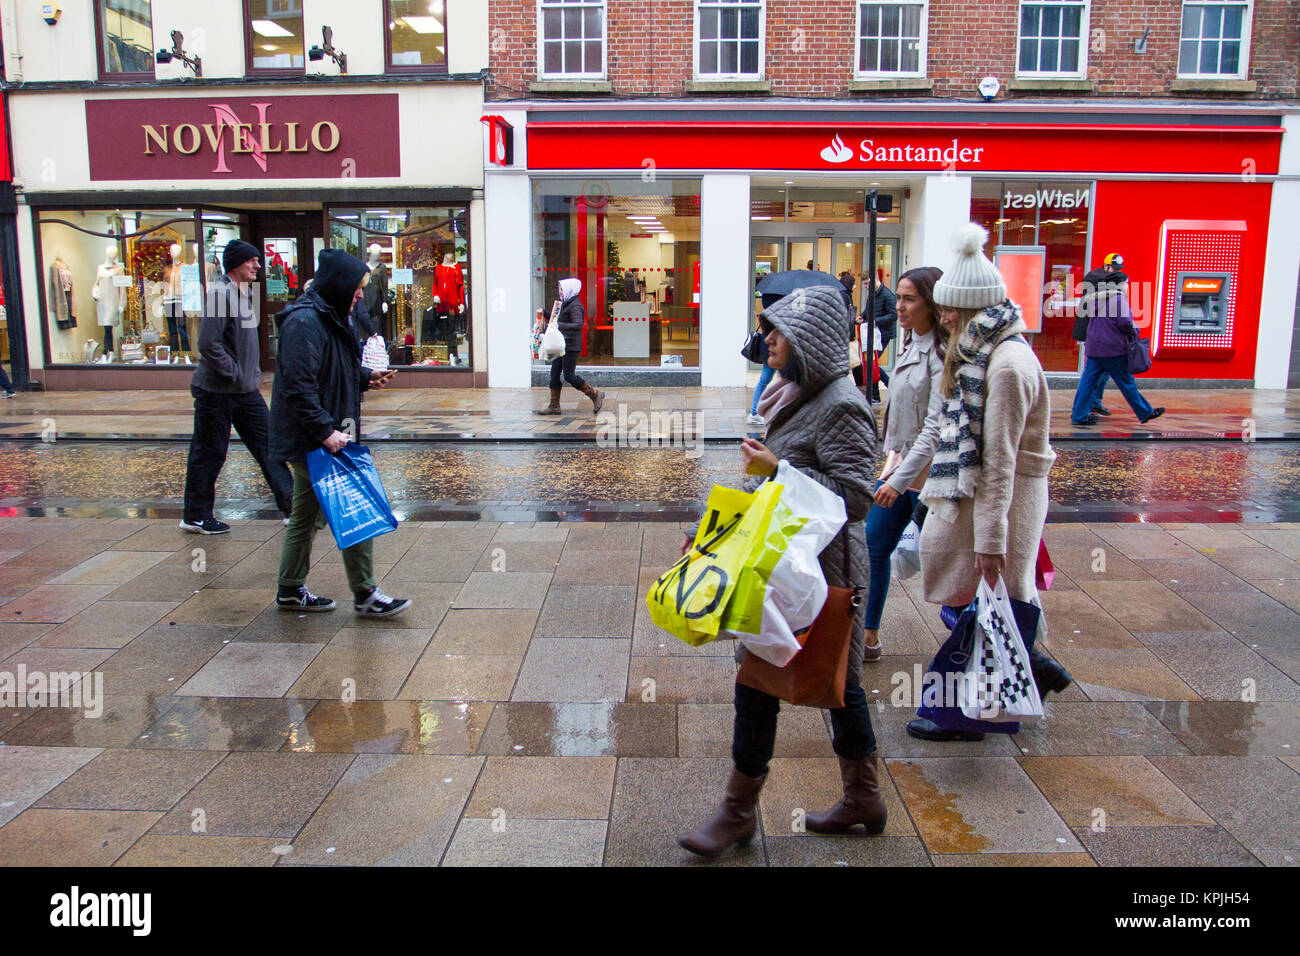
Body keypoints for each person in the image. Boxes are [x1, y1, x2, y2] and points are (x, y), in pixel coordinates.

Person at [678, 284, 884, 856]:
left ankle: (765, 810)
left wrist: (777, 468)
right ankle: (752, 809)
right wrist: (718, 534)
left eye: (778, 331)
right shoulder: (795, 393)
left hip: (825, 575)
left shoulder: (842, 403)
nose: (766, 339)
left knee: (835, 686)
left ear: (808, 343)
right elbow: (773, 492)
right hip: (786, 565)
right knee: (762, 678)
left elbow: (856, 497)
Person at [908, 224, 1070, 742]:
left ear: (973, 309)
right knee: (976, 601)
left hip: (1003, 502)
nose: (945, 316)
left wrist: (991, 541)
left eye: (951, 309)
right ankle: (1021, 679)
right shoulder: (983, 353)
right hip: (986, 498)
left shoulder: (1005, 365)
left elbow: (999, 463)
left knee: (992, 602)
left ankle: (962, 714)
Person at [269, 249, 409, 618]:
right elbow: (298, 387)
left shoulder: (331, 315)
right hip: (318, 438)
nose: (362, 295)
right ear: (339, 286)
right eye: (357, 288)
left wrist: (366, 377)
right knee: (355, 504)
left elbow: (335, 368)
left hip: (327, 432)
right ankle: (365, 593)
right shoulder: (304, 323)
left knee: (306, 516)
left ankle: (289, 588)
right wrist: (324, 432)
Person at [180, 239, 294, 535]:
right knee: (209, 452)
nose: (258, 265)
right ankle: (196, 515)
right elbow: (208, 343)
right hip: (217, 390)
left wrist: (248, 374)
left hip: (244, 390)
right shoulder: (220, 294)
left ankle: (292, 507)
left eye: (257, 260)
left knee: (270, 444)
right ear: (235, 265)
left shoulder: (244, 294)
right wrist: (233, 372)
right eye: (251, 261)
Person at [863, 266, 947, 661]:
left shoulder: (944, 355)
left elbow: (935, 428)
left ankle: (1012, 648)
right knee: (873, 547)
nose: (899, 306)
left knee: (951, 569)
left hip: (931, 480)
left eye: (908, 298)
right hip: (901, 471)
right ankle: (868, 637)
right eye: (897, 297)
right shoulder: (911, 344)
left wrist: (898, 479)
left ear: (930, 303)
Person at [1070, 255, 1164, 427]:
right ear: (1120, 284)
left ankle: (1078, 416)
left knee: (1087, 382)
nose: (1128, 286)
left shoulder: (1096, 297)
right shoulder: (1118, 299)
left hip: (1094, 347)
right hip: (1112, 349)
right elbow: (1125, 322)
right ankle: (1145, 412)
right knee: (1127, 382)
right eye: (1127, 283)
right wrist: (1134, 331)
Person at [536, 277, 605, 416]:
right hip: (561, 345)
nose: (560, 292)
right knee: (554, 373)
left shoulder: (575, 306)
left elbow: (578, 325)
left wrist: (559, 325)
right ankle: (554, 405)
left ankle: (595, 394)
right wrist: (545, 313)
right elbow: (556, 320)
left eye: (562, 289)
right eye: (560, 289)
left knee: (569, 376)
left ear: (569, 290)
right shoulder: (566, 303)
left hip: (571, 346)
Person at [860, 279, 897, 401]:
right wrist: (862, 316)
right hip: (873, 334)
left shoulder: (887, 295)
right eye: (864, 284)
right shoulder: (872, 295)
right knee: (871, 363)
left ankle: (888, 387)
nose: (865, 286)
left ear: (875, 280)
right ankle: (876, 395)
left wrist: (877, 321)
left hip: (883, 334)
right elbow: (868, 310)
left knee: (872, 363)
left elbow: (894, 314)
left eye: (867, 283)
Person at [746, 316, 775, 427]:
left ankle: (755, 412)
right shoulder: (774, 307)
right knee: (765, 379)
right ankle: (754, 413)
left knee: (765, 380)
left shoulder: (769, 307)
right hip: (773, 348)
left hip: (770, 348)